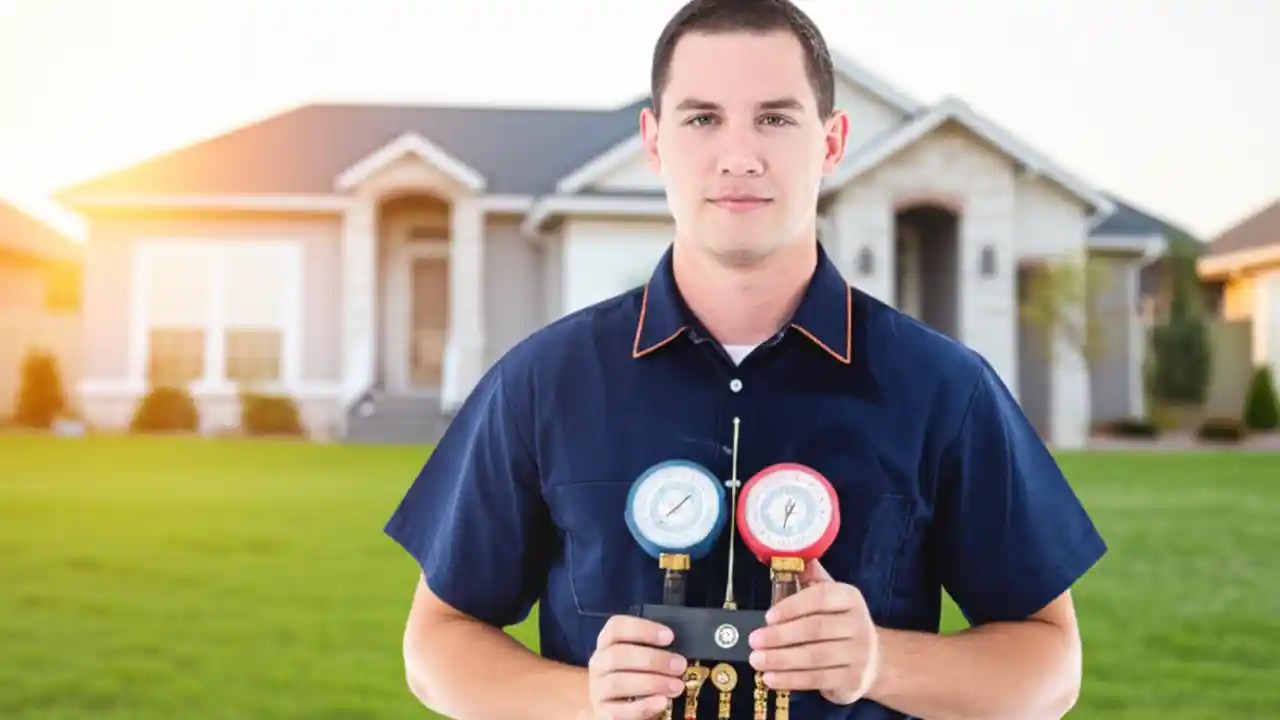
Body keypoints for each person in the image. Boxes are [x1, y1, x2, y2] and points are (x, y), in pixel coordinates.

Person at [383, 1, 1107, 718]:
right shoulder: (543, 383)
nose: (738, 155)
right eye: (702, 118)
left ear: (831, 141)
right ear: (654, 140)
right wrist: (583, 700)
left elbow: (1049, 666)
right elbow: (438, 643)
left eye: (775, 118)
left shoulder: (945, 389)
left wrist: (881, 661)